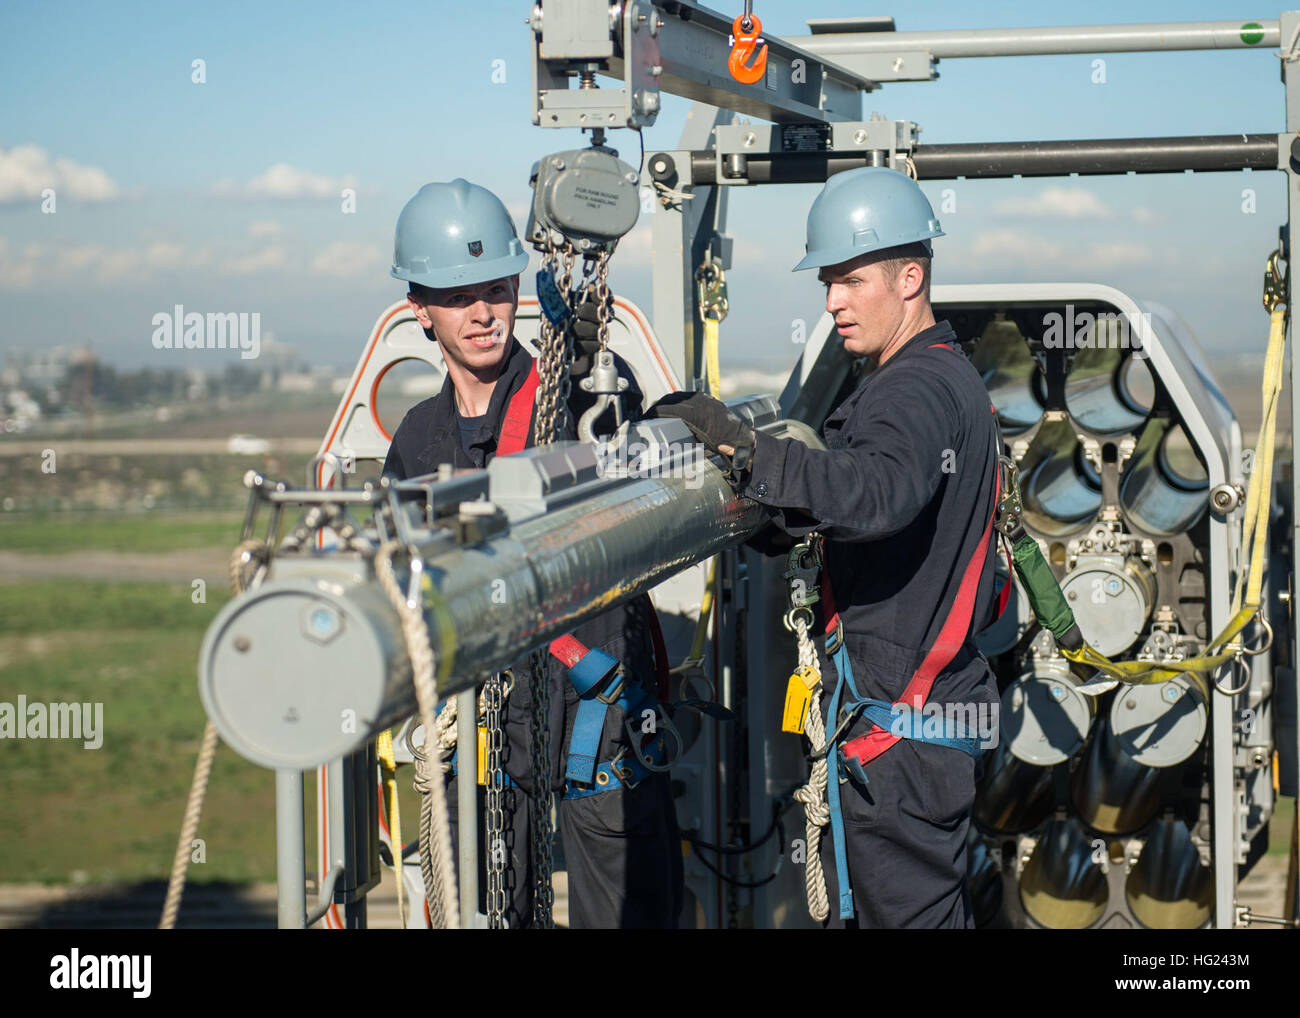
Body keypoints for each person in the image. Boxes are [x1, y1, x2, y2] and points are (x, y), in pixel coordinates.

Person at [646, 166, 1001, 929]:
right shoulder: (930, 378)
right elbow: (861, 513)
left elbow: (875, 493)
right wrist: (774, 517)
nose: (833, 300)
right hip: (907, 741)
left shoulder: (914, 390)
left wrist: (748, 452)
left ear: (910, 278)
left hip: (898, 751)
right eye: (827, 284)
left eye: (849, 280)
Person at [383, 178, 683, 928]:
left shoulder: (584, 394)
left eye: (495, 288)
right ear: (420, 308)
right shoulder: (418, 440)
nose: (483, 311)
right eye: (457, 296)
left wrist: (599, 382)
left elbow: (646, 487)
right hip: (481, 736)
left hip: (597, 719)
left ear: (518, 284)